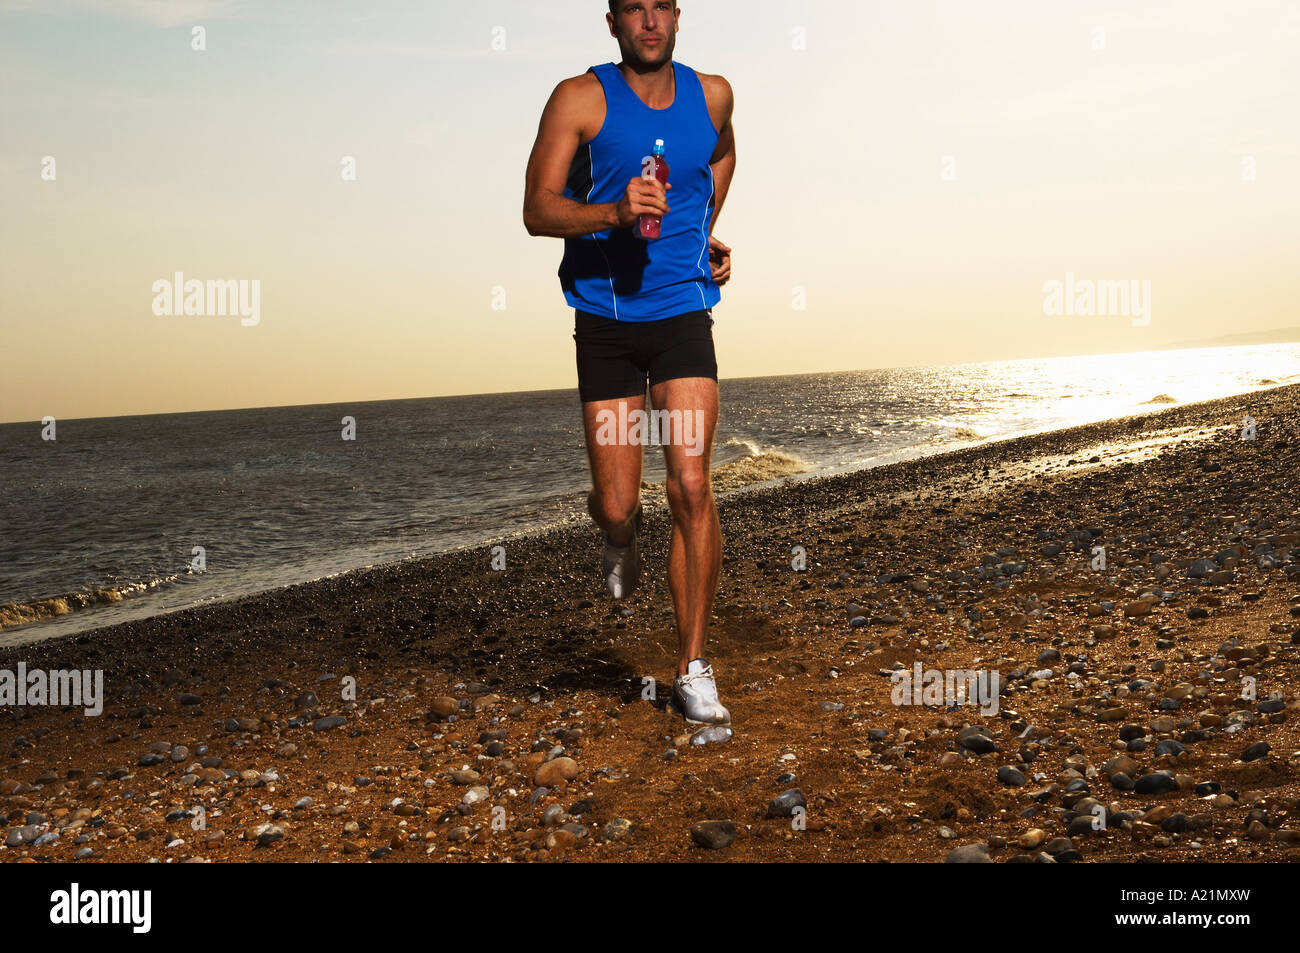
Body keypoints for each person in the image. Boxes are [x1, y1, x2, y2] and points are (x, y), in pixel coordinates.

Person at [523, 1, 736, 724]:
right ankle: (617, 539)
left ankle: (694, 667)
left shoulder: (712, 94)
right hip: (607, 323)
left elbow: (723, 151)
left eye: (660, 8)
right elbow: (537, 208)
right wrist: (615, 213)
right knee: (619, 503)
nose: (649, 22)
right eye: (633, 10)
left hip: (682, 312)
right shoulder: (579, 98)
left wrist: (702, 229)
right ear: (611, 22)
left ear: (678, 17)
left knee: (690, 486)